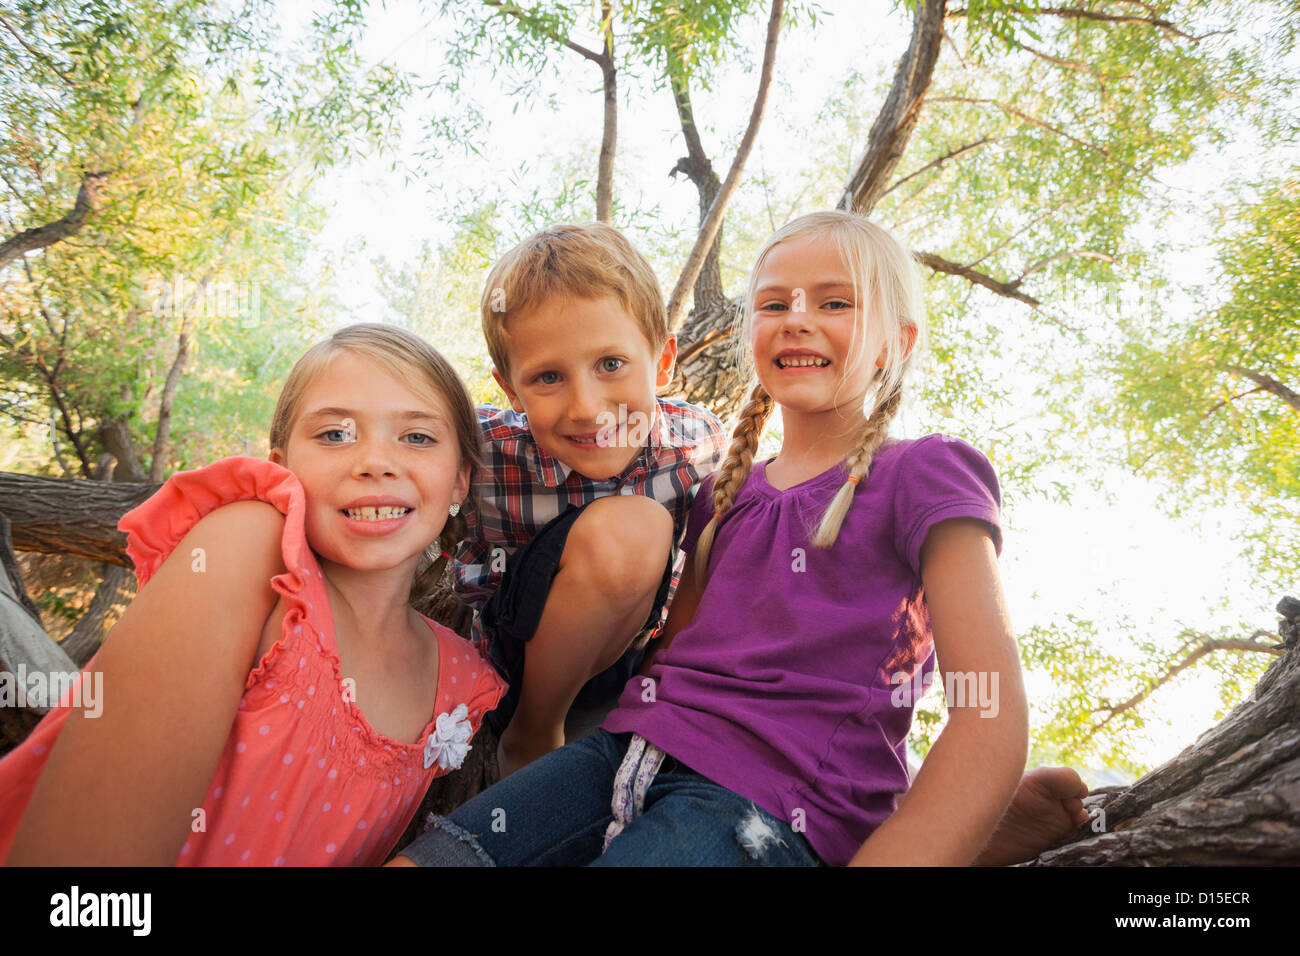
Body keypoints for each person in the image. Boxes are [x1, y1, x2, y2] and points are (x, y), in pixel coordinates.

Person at [392, 211, 1069, 866]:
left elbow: (990, 712)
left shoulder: (924, 471)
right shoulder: (725, 491)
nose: (798, 318)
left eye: (835, 303)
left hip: (756, 802)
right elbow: (671, 657)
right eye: (774, 304)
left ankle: (919, 827)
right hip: (620, 753)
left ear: (897, 342)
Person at [0, 324, 505, 865]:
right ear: (281, 466)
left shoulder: (459, 678)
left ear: (459, 480)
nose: (374, 461)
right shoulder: (250, 554)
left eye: (418, 436)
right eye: (335, 434)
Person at [455, 222, 727, 777]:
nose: (585, 407)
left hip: (625, 656)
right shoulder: (479, 452)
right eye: (548, 377)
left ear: (664, 361)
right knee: (632, 529)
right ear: (510, 390)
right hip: (516, 656)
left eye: (611, 364)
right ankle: (530, 735)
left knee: (643, 531)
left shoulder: (698, 445)